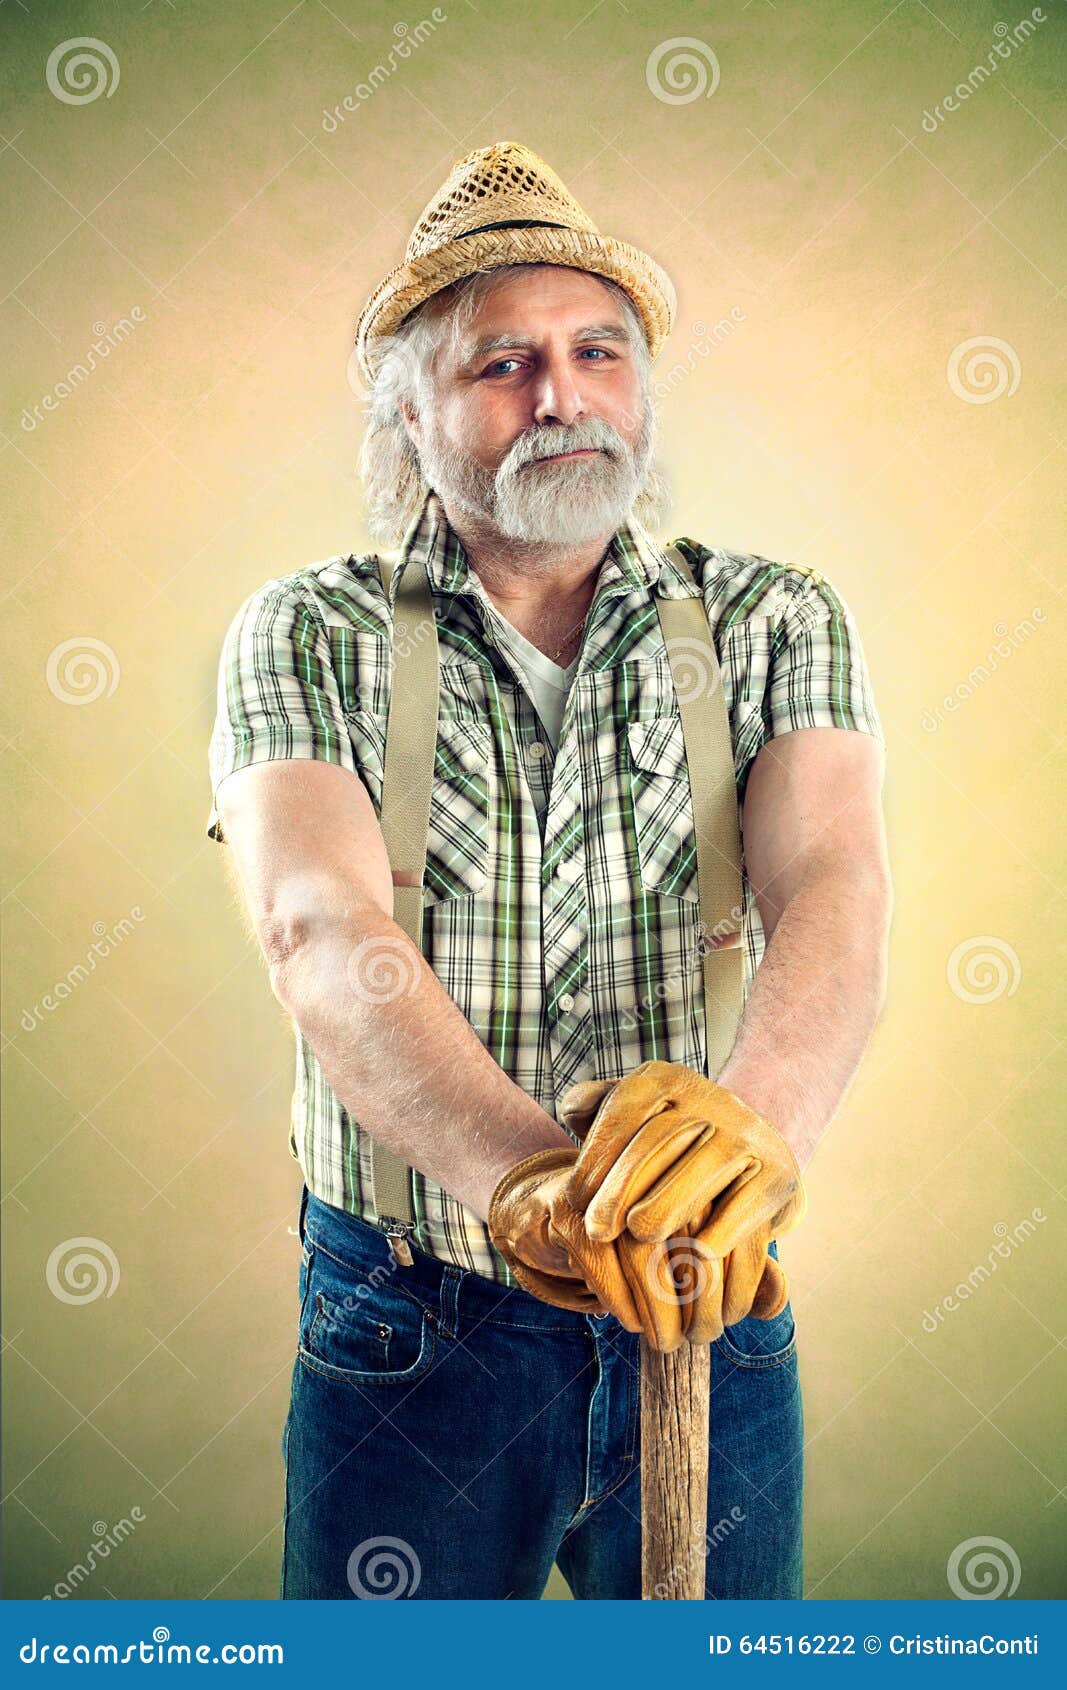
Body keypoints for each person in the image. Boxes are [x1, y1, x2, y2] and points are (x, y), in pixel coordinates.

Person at [205, 142, 892, 1601]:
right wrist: (522, 1170)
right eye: (501, 362)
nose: (561, 394)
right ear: (410, 407)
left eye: (598, 352)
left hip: (709, 1311)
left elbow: (829, 881)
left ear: (641, 386)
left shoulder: (773, 619)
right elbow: (318, 922)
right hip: (408, 1321)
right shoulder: (305, 633)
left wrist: (755, 1140)